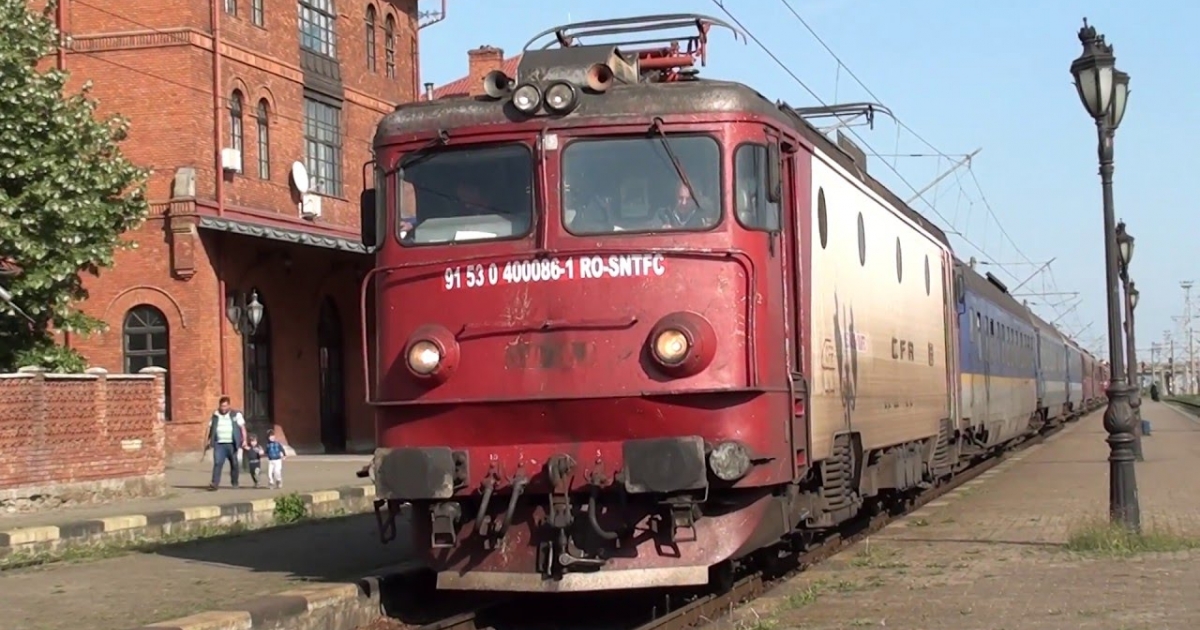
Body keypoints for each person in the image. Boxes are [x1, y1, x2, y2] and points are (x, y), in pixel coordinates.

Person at [208, 396, 247, 491]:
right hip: (219, 443)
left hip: (232, 444)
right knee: (217, 463)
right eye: (222, 406)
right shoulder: (215, 415)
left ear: (229, 405)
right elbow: (210, 428)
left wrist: (244, 440)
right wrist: (208, 440)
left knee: (234, 463)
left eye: (225, 406)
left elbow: (242, 428)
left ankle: (234, 482)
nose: (223, 408)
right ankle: (215, 483)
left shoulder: (235, 415)